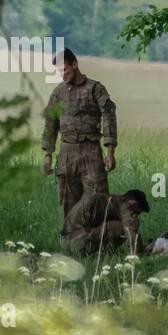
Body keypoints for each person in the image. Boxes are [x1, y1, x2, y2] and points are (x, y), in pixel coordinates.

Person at [41, 49, 117, 228]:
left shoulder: (95, 88)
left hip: (90, 152)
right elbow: (50, 123)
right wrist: (47, 154)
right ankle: (72, 243)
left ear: (75, 64)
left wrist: (110, 150)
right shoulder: (58, 93)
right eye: (59, 71)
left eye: (65, 70)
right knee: (69, 202)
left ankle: (99, 243)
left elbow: (109, 116)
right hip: (67, 154)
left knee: (97, 199)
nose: (62, 75)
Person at [61, 189, 149, 257]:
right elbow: (131, 232)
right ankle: (100, 253)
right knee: (119, 227)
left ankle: (97, 252)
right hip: (76, 242)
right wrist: (140, 252)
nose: (136, 215)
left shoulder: (107, 200)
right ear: (132, 203)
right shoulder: (125, 206)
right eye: (137, 212)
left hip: (65, 240)